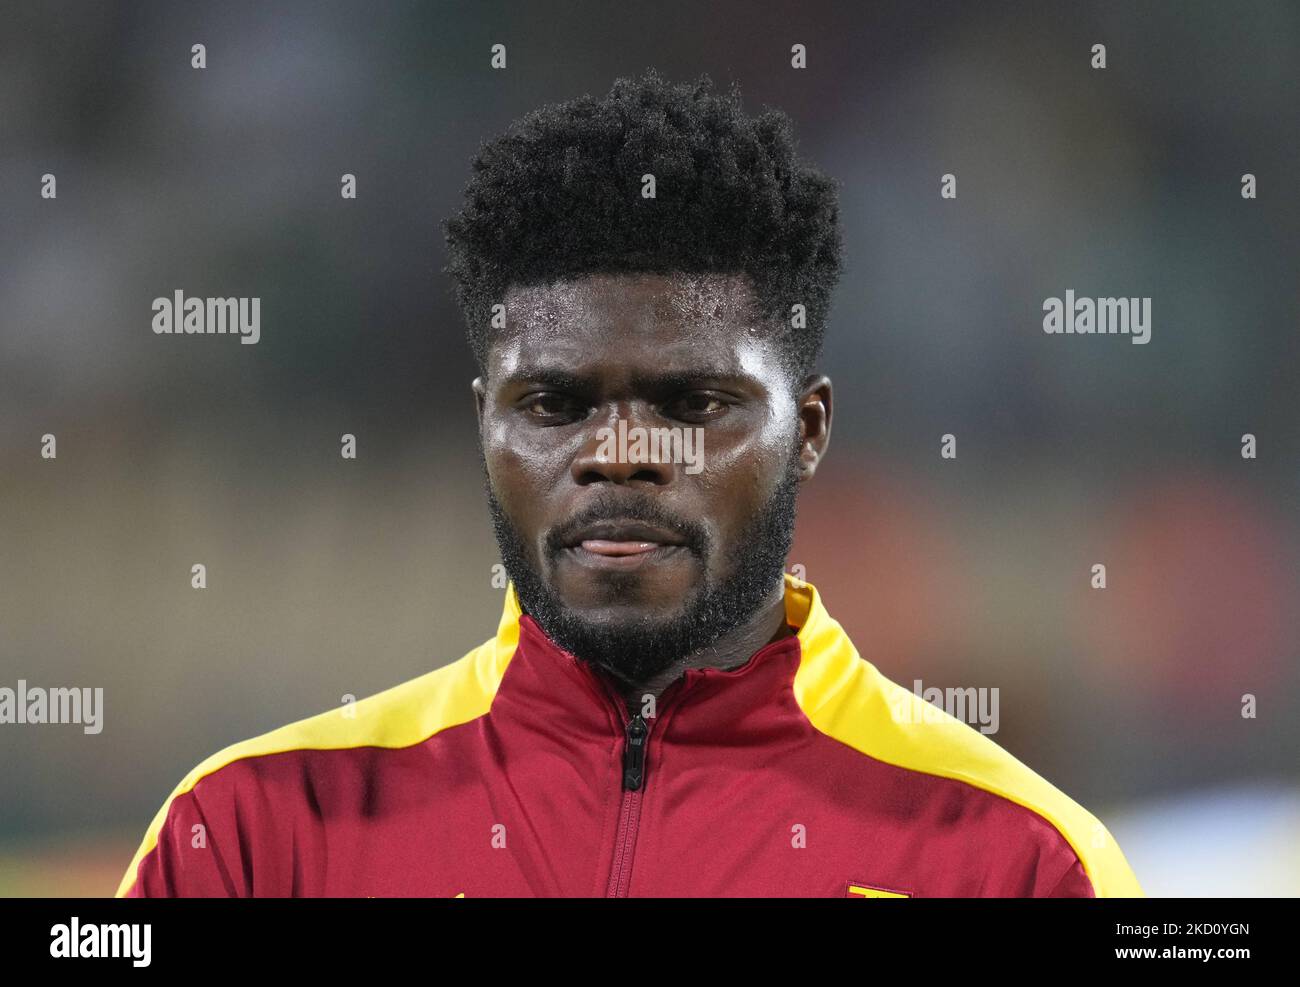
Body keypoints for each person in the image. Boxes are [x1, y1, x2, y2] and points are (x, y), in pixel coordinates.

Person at [117, 70, 1142, 897]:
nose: (618, 453)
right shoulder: (254, 837)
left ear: (811, 429)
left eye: (691, 405)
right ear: (484, 425)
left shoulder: (1018, 863)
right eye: (555, 405)